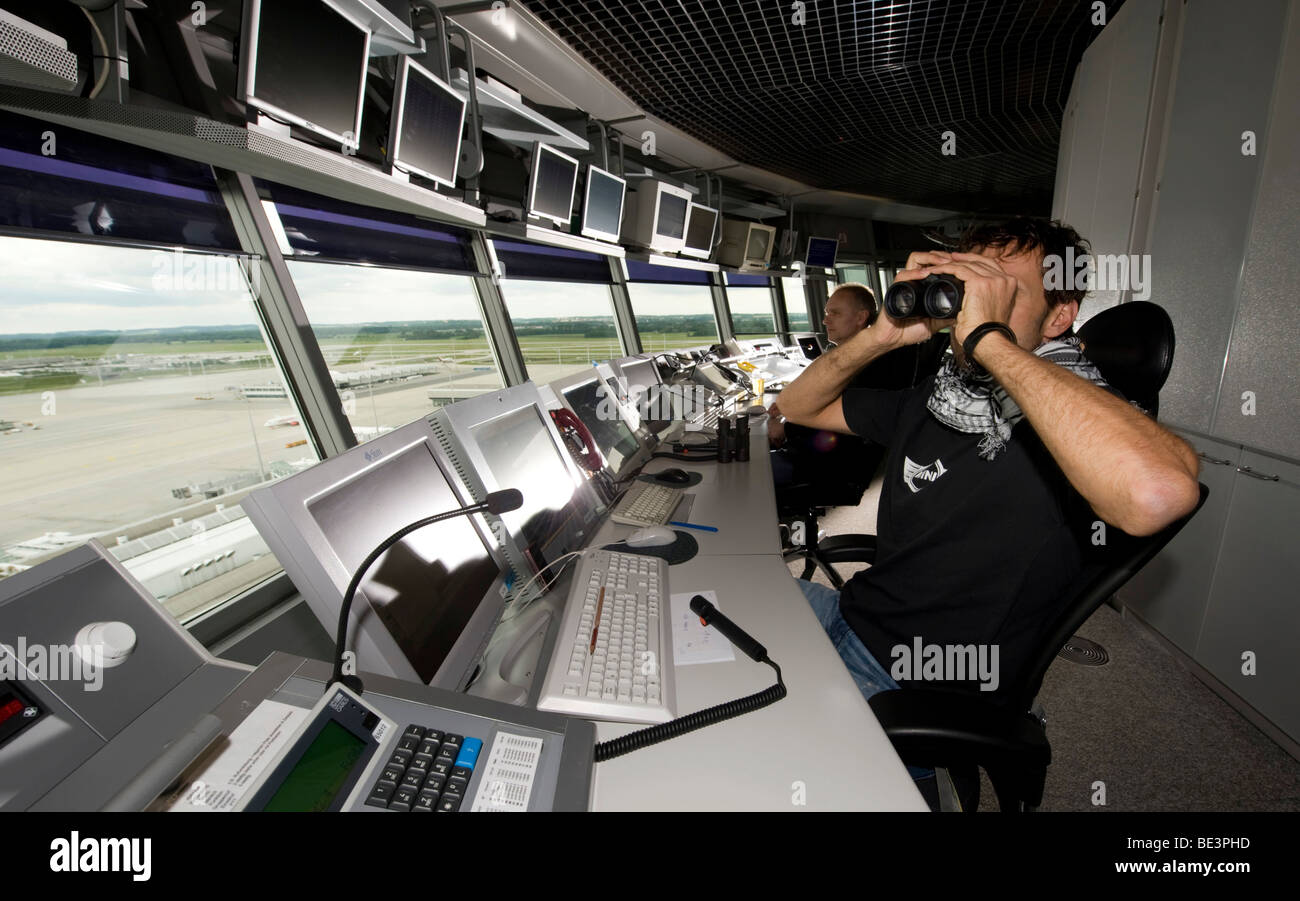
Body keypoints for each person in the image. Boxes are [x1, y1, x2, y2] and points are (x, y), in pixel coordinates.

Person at [777, 218, 1200, 710]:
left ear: (1059, 317)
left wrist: (986, 336)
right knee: (703, 619)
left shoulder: (1069, 424)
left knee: (736, 752)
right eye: (968, 287)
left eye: (1001, 292)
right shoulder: (943, 394)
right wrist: (880, 337)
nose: (973, 306)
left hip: (918, 674)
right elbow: (797, 405)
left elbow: (1157, 493)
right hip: (857, 611)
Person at [769, 284, 945, 490]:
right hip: (840, 457)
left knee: (743, 478)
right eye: (827, 313)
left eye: (834, 313)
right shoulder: (872, 360)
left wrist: (785, 427)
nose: (826, 320)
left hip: (832, 462)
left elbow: (844, 423)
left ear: (861, 318)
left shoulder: (869, 365)